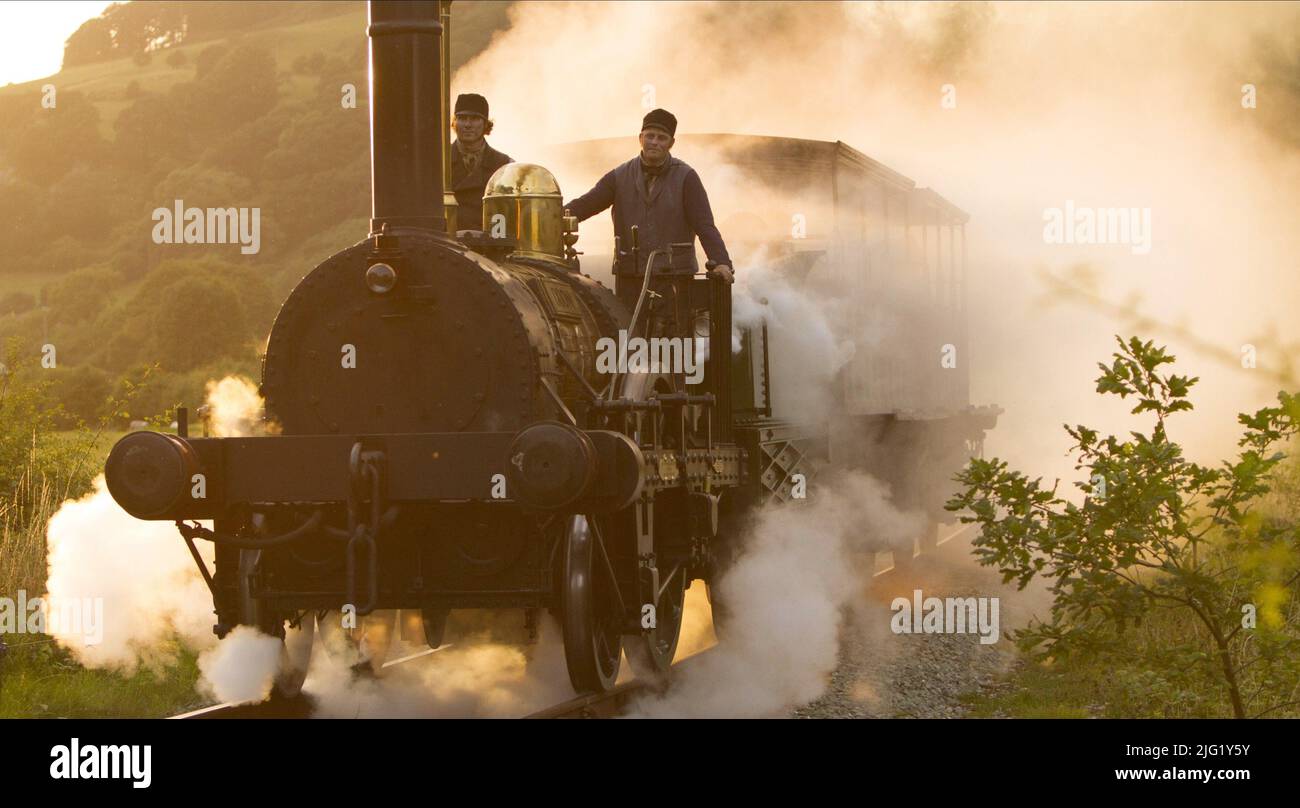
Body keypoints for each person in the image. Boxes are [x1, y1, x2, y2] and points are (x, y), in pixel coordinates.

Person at [563, 108, 733, 313]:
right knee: (633, 339)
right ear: (640, 138)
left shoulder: (687, 177)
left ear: (671, 143)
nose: (654, 142)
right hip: (631, 279)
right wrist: (544, 215)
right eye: (650, 136)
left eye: (662, 138)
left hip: (675, 280)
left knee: (674, 343)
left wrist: (721, 262)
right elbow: (585, 205)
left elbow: (704, 225)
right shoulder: (618, 176)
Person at [449, 93, 512, 231]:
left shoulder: (504, 166)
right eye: (462, 118)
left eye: (475, 118)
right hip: (447, 245)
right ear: (454, 122)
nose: (467, 124)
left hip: (490, 246)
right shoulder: (439, 162)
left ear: (485, 124)